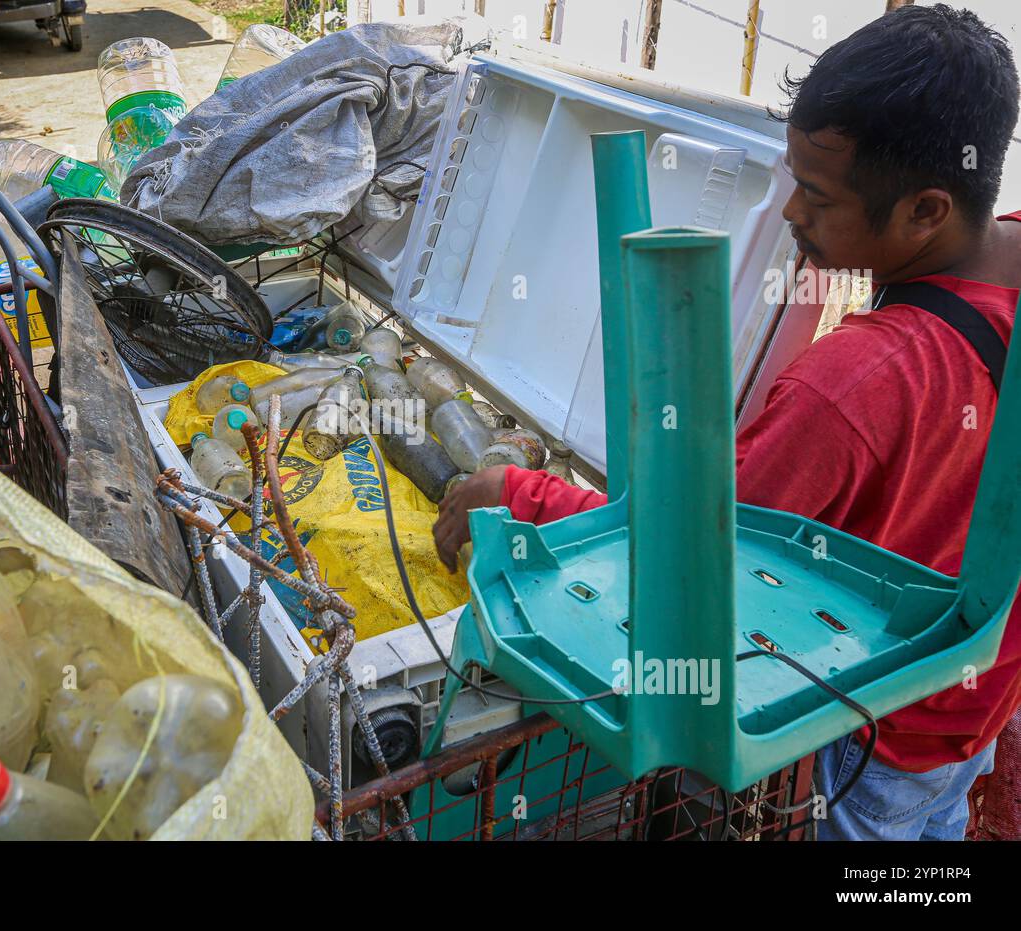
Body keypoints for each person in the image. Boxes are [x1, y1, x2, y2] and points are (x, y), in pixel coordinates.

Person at [432, 4, 1020, 841]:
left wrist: (518, 494)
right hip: (977, 705)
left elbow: (694, 561)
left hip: (871, 736)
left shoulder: (854, 385)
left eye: (817, 198)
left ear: (926, 211)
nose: (790, 216)